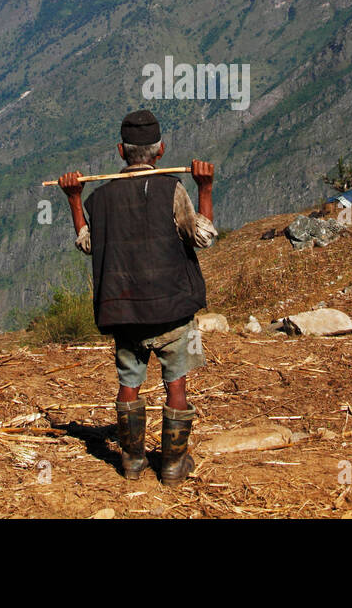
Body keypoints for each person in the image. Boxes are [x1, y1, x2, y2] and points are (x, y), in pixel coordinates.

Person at [57, 109, 216, 485]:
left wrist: (74, 199)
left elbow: (88, 244)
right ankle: (174, 465)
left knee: (129, 383)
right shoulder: (172, 190)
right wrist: (205, 188)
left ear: (120, 151)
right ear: (161, 151)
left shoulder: (100, 198)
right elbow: (203, 237)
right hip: (172, 311)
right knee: (175, 383)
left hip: (124, 311)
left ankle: (131, 461)